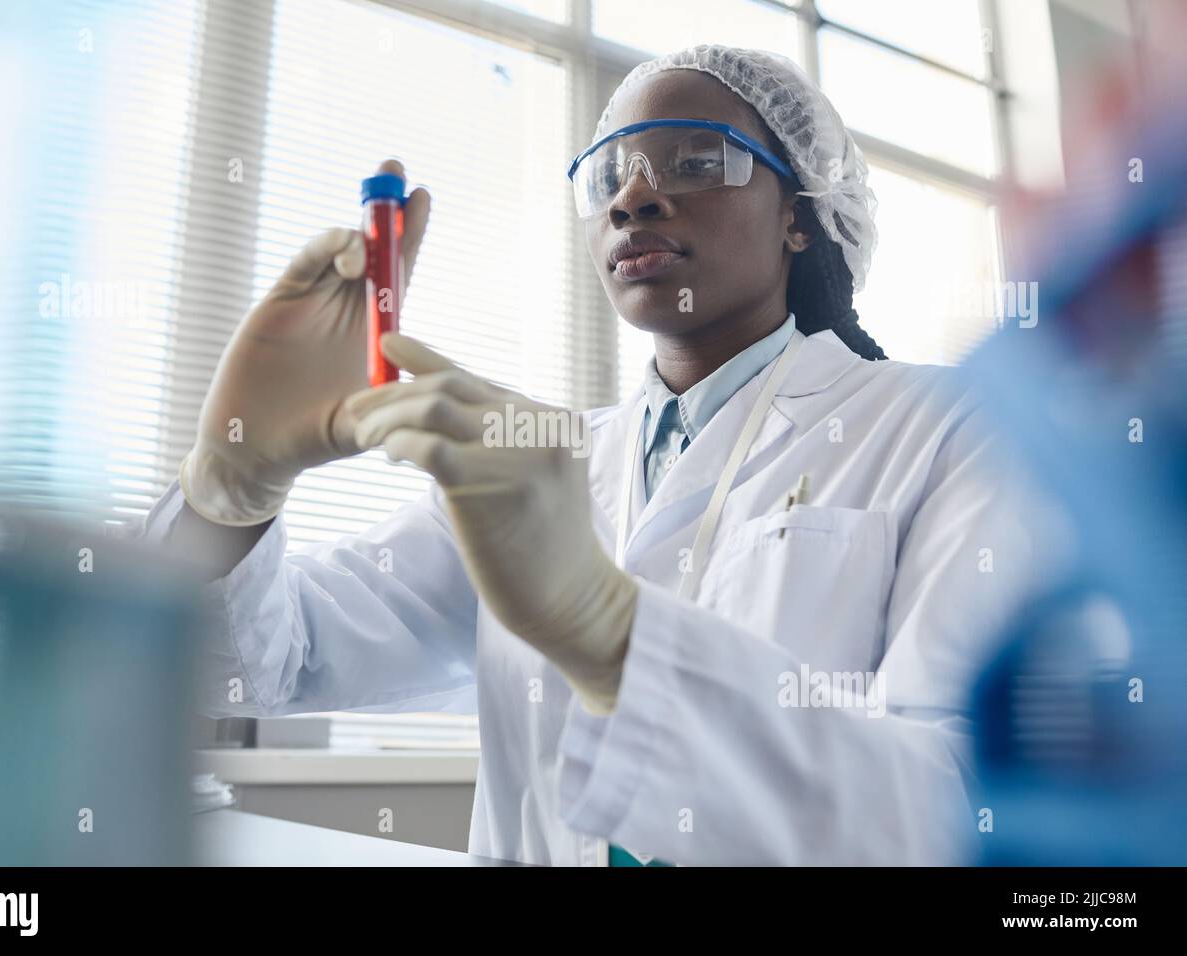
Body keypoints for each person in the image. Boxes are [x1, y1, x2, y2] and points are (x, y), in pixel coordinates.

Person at [147, 45, 1039, 865]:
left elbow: (954, 810)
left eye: (698, 162)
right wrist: (233, 491)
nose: (633, 196)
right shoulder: (536, 462)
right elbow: (265, 664)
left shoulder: (946, 426)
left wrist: (611, 631)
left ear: (801, 217)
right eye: (609, 174)